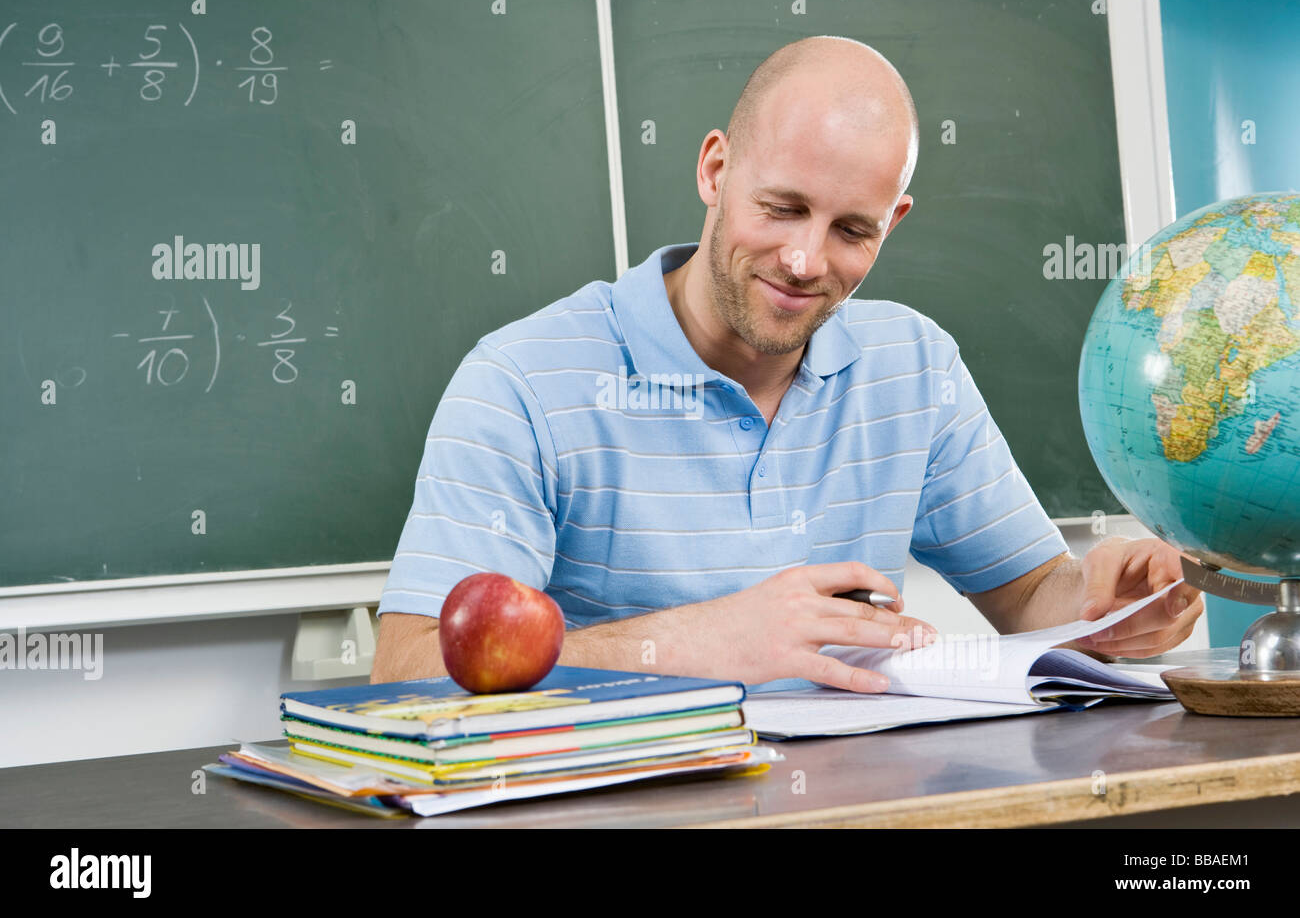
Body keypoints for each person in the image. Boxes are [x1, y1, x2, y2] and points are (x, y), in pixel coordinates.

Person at [371, 35, 1204, 690]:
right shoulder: (520, 382)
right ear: (715, 169)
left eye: (852, 231)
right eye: (782, 209)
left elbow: (1030, 599)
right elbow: (405, 673)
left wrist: (1101, 606)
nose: (806, 261)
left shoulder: (914, 367)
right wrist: (706, 642)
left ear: (895, 221)